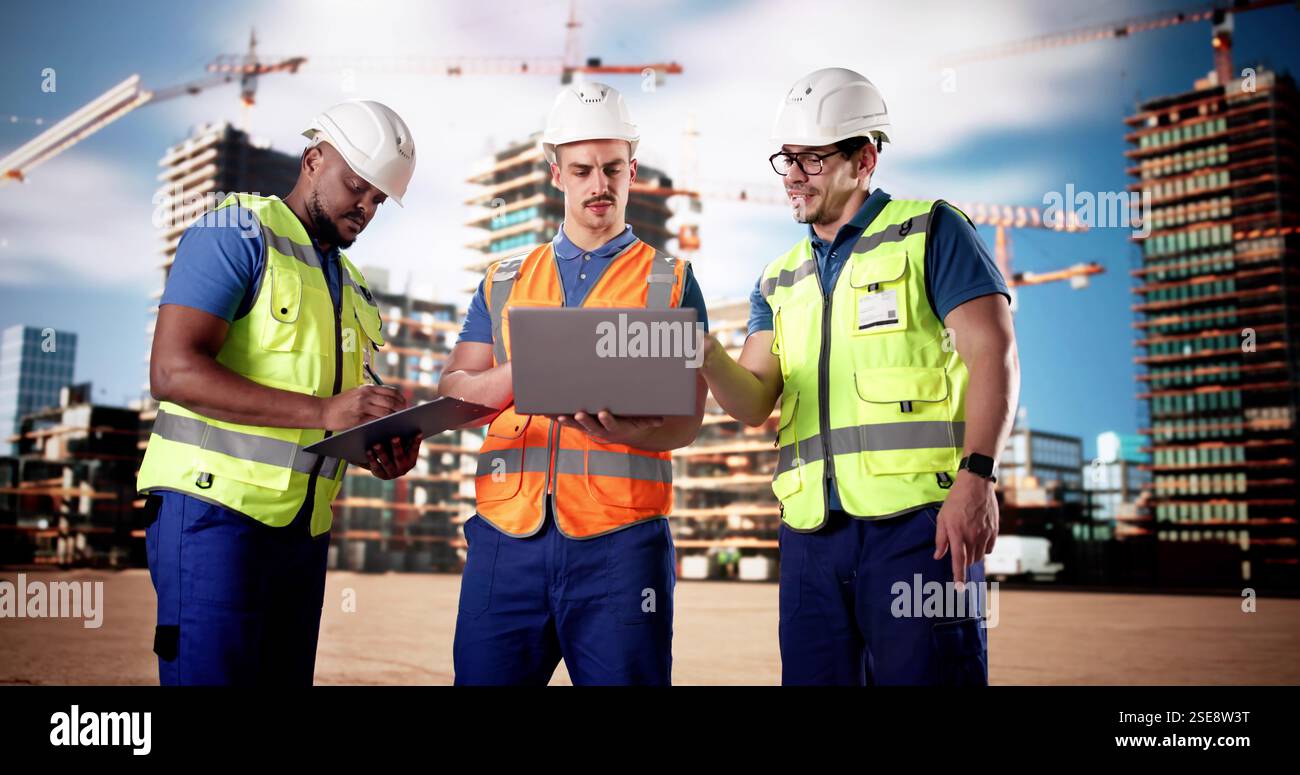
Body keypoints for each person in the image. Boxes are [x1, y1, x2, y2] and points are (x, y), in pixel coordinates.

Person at [698, 68, 1020, 685]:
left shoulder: (930, 231)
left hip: (921, 527)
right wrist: (706, 351)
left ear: (864, 158)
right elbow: (755, 399)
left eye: (812, 160)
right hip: (809, 537)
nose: (792, 176)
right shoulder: (778, 278)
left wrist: (978, 478)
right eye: (787, 159)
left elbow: (993, 355)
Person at [138, 99, 422, 685]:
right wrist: (324, 411)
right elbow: (173, 371)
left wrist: (377, 442)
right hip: (213, 514)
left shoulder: (352, 286)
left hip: (302, 530)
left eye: (378, 201)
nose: (365, 208)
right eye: (356, 186)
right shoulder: (235, 231)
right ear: (313, 159)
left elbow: (338, 416)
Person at [438, 82, 709, 685]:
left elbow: (688, 422)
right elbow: (455, 391)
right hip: (506, 539)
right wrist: (530, 368)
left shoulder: (669, 281)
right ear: (555, 172)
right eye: (582, 169)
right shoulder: (503, 280)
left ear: (632, 170)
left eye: (613, 168)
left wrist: (633, 430)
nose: (599, 185)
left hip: (622, 545)